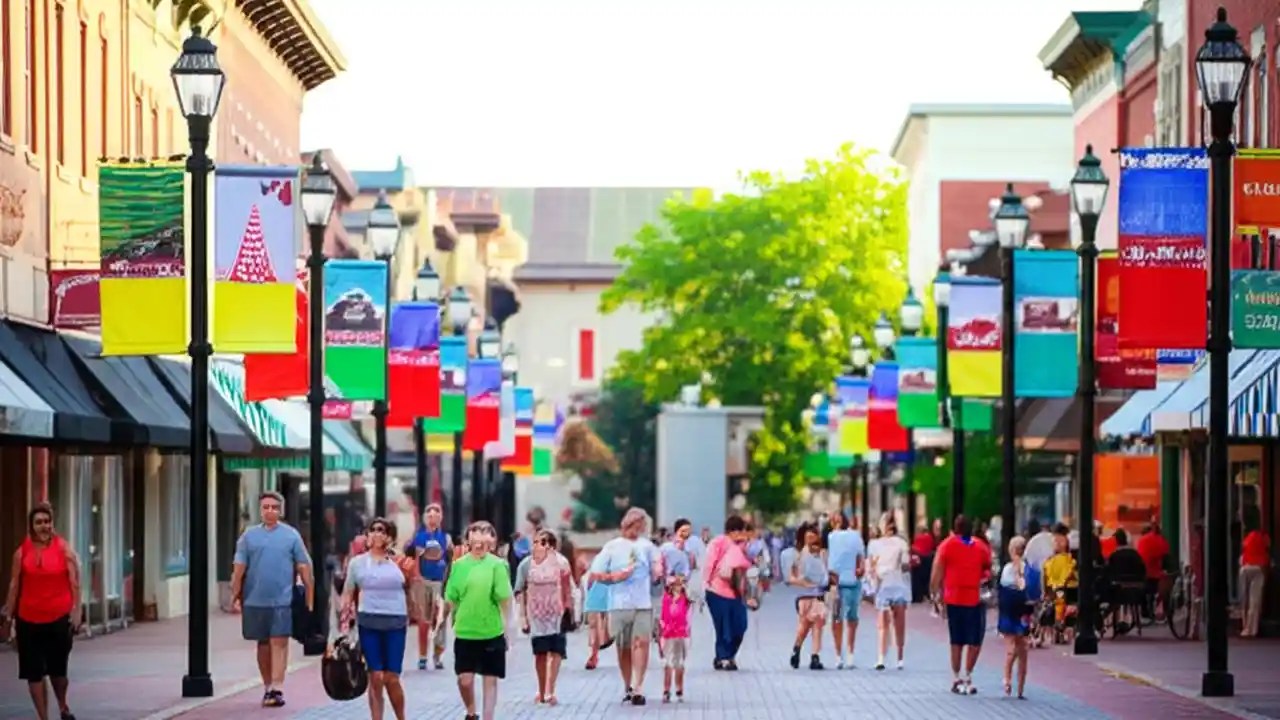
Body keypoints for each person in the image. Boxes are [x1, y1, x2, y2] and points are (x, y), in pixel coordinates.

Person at [230, 491, 313, 708]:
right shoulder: (248, 537)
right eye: (266, 507)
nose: (270, 511)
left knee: (279, 641)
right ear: (260, 509)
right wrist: (235, 594)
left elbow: (304, 566)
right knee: (263, 644)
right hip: (254, 600)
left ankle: (277, 687)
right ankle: (267, 686)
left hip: (282, 600)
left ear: (281, 510)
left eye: (274, 507)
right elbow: (239, 568)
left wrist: (310, 599)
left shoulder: (291, 535)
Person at [2, 504, 82, 720]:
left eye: (47, 522)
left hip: (58, 617)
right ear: (31, 526)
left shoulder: (64, 549)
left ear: (52, 524)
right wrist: (9, 617)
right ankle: (43, 717)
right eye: (39, 522)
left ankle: (63, 706)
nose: (44, 526)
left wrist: (77, 611)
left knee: (58, 672)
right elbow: (14, 585)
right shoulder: (22, 553)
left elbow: (75, 582)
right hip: (28, 619)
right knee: (33, 673)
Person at [341, 518, 413, 720]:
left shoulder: (399, 561)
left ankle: (401, 717)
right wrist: (345, 615)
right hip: (368, 621)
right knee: (376, 676)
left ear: (389, 536)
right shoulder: (357, 563)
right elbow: (348, 591)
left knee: (391, 677)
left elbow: (414, 584)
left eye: (382, 531)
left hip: (395, 621)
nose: (376, 534)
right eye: (372, 530)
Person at [592, 508, 663, 705]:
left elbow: (657, 565)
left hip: (642, 603)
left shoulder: (647, 546)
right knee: (623, 647)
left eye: (642, 525)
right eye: (636, 524)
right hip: (619, 603)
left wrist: (657, 571)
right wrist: (615, 577)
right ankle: (627, 684)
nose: (639, 529)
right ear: (627, 524)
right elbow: (596, 573)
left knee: (641, 642)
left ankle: (638, 686)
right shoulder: (612, 547)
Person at [445, 521, 513, 720]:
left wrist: (508, 629)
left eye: (484, 541)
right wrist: (441, 619)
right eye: (475, 540)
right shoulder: (459, 566)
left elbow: (505, 599)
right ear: (468, 542)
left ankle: (488, 717)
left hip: (491, 631)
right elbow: (451, 597)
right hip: (466, 631)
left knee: (490, 681)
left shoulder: (497, 565)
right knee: (464, 680)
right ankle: (471, 712)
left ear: (491, 543)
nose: (479, 546)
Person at [930, 515, 991, 696]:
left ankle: (956, 678)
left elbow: (937, 571)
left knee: (956, 640)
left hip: (953, 598)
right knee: (974, 640)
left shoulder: (946, 545)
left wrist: (935, 595)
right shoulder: (980, 546)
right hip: (974, 598)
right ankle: (968, 675)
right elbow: (988, 569)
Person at [518, 530, 572, 705]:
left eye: (549, 542)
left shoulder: (562, 563)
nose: (545, 546)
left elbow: (567, 588)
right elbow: (520, 591)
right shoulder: (526, 564)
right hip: (536, 615)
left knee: (556, 652)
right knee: (540, 653)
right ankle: (541, 690)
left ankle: (551, 690)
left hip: (556, 613)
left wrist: (569, 611)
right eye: (540, 542)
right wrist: (523, 617)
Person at [704, 514, 752, 670]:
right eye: (741, 531)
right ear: (733, 531)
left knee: (740, 625)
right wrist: (707, 583)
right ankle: (724, 657)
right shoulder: (718, 542)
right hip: (717, 591)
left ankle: (727, 655)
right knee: (723, 627)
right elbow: (709, 563)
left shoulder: (744, 546)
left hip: (737, 593)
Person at [407, 503, 452, 670]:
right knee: (423, 621)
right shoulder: (420, 537)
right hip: (424, 581)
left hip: (439, 581)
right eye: (429, 514)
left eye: (437, 513)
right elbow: (417, 559)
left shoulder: (445, 538)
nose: (433, 517)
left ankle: (438, 655)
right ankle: (422, 655)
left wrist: (448, 581)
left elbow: (450, 560)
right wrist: (417, 577)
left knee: (439, 620)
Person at [868, 514, 911, 671]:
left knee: (892, 622)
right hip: (887, 585)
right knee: (886, 622)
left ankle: (896, 657)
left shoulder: (900, 543)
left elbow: (906, 564)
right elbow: (871, 565)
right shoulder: (876, 544)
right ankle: (884, 657)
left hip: (894, 584)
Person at [824, 511, 865, 668]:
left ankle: (849, 653)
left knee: (851, 619)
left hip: (852, 582)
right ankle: (839, 654)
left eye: (839, 520)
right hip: (837, 584)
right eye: (834, 521)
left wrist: (861, 568)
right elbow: (826, 557)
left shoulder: (854, 536)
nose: (837, 523)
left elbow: (861, 556)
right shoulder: (830, 537)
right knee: (837, 618)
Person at [787, 522, 829, 670]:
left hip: (819, 594)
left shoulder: (822, 554)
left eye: (814, 537)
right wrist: (803, 583)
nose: (811, 540)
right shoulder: (797, 555)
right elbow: (790, 578)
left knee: (818, 624)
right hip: (804, 596)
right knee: (804, 626)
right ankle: (797, 648)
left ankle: (815, 656)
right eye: (808, 537)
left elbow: (827, 573)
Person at [998, 536, 1034, 699]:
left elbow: (1009, 587)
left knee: (1014, 648)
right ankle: (1017, 686)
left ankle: (1009, 681)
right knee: (1021, 648)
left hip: (1012, 610)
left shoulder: (1012, 569)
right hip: (1020, 611)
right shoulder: (1021, 569)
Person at [659, 574, 692, 703]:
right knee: (668, 663)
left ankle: (679, 688)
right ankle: (666, 690)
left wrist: (686, 586)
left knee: (679, 664)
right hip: (668, 634)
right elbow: (663, 616)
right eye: (675, 585)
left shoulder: (685, 599)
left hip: (682, 633)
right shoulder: (666, 599)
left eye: (680, 585)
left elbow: (693, 597)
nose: (678, 587)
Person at [1240, 513, 1271, 638]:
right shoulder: (1264, 537)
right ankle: (1252, 629)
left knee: (1245, 599)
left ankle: (1244, 627)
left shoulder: (1247, 537)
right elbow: (1268, 548)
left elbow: (1244, 549)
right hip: (1259, 567)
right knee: (1255, 600)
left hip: (1246, 567)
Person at [581, 550, 612, 670]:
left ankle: (596, 653)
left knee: (599, 625)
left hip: (605, 595)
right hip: (595, 596)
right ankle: (594, 655)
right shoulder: (597, 563)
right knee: (594, 625)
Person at [1136, 523, 1170, 618]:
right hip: (1156, 574)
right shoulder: (1160, 539)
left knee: (1143, 591)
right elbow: (1165, 554)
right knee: (1156, 590)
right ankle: (1159, 609)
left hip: (1143, 573)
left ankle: (1144, 611)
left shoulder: (1142, 540)